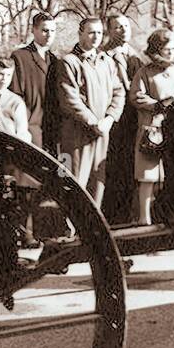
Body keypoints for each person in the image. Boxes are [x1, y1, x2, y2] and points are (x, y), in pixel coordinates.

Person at [55, 16, 126, 207]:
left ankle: (92, 229)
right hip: (77, 134)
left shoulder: (106, 61)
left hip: (102, 131)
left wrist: (109, 119)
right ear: (80, 33)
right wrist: (93, 122)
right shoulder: (68, 62)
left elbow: (119, 92)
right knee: (75, 181)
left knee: (98, 181)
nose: (96, 37)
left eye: (100, 33)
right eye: (91, 32)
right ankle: (69, 230)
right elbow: (70, 99)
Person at [131, 29, 174, 226]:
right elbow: (136, 97)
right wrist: (157, 105)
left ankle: (169, 213)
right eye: (167, 49)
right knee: (148, 174)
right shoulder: (145, 72)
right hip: (151, 127)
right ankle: (144, 217)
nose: (171, 53)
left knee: (173, 172)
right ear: (157, 49)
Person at [102, 13, 143, 223]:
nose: (124, 30)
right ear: (109, 31)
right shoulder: (103, 57)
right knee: (110, 168)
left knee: (129, 167)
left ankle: (126, 216)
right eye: (118, 27)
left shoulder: (136, 58)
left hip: (133, 121)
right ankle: (108, 216)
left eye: (126, 25)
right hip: (110, 120)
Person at [9, 12, 59, 151]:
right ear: (33, 30)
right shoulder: (20, 56)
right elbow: (15, 94)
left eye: (53, 31)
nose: (49, 35)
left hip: (51, 126)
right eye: (45, 30)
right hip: (30, 124)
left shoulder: (55, 60)